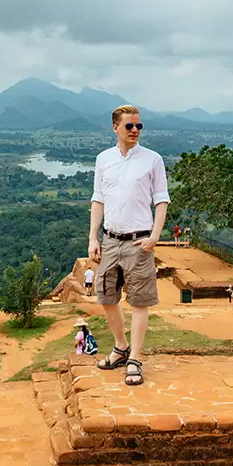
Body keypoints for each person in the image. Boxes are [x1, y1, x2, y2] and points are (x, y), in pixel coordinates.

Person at [88, 105, 169, 386]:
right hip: (110, 239)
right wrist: (92, 237)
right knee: (107, 296)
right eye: (129, 126)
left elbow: (161, 200)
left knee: (139, 301)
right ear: (115, 128)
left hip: (139, 241)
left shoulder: (152, 160)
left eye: (139, 126)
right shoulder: (104, 159)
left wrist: (155, 235)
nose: (135, 130)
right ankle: (120, 348)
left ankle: (134, 358)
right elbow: (98, 199)